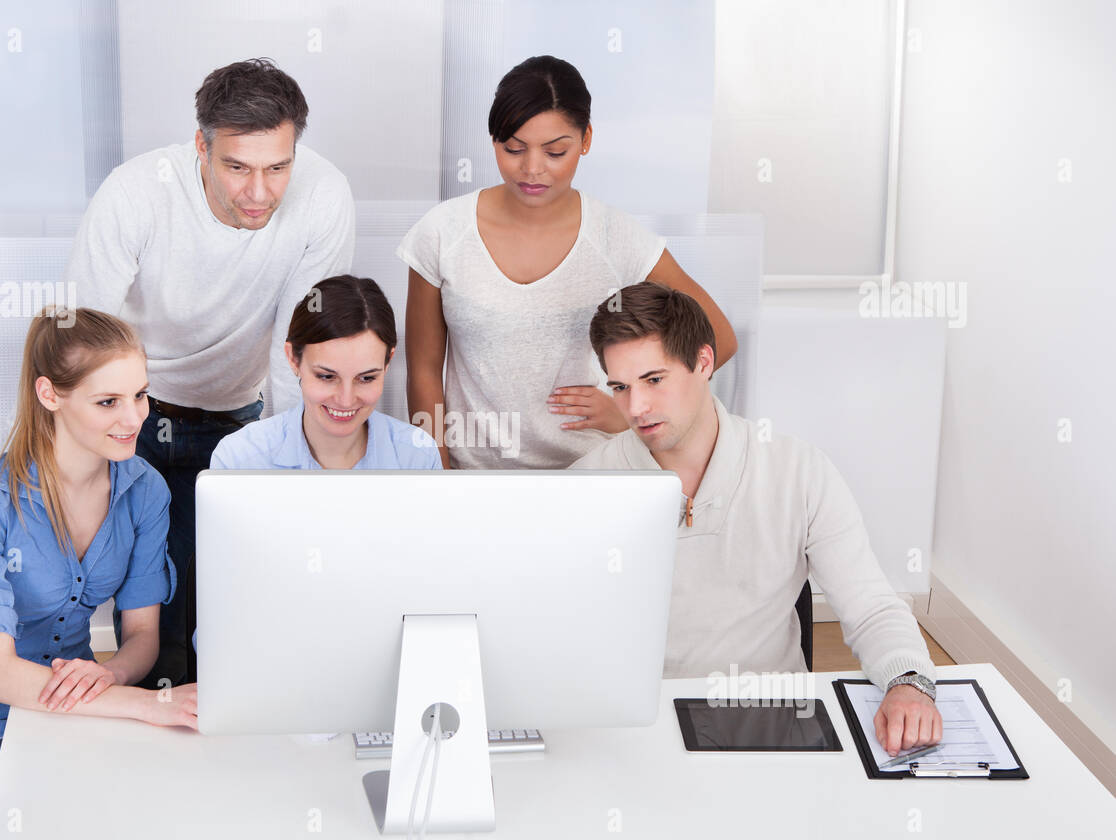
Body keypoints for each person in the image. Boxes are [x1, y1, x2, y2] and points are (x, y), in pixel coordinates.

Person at [0, 59, 357, 688]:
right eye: (237, 167)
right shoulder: (135, 195)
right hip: (132, 415)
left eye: (278, 167)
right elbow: (74, 350)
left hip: (238, 417)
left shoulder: (324, 197)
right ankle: (154, 744)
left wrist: (294, 470)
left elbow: (297, 353)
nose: (260, 192)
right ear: (201, 148)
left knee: (232, 599)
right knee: (157, 614)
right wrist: (5, 484)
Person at [570, 281, 942, 757]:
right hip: (640, 730)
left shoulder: (798, 470)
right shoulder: (586, 486)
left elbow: (870, 607)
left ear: (704, 363)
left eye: (654, 380)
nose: (635, 408)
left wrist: (908, 682)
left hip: (772, 727)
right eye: (620, 388)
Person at [399, 54, 737, 470]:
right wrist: (438, 468)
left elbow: (718, 336)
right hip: (474, 478)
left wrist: (629, 410)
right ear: (493, 140)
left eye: (555, 151)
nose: (532, 169)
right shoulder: (441, 232)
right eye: (514, 149)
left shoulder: (616, 237)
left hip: (591, 474)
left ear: (586, 140)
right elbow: (424, 368)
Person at [0, 307, 197, 809]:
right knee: (106, 802)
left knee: (172, 785)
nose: (134, 418)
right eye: (108, 401)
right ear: (50, 395)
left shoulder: (145, 491)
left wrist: (110, 676)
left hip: (79, 709)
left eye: (140, 394)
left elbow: (141, 636)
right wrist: (150, 703)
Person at [212, 275, 442, 472]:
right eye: (327, 376)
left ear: (388, 361)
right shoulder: (240, 459)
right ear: (293, 359)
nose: (346, 399)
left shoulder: (418, 457)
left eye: (366, 378)